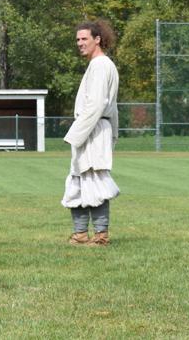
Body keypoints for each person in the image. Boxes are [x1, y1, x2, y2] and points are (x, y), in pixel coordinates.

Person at [61, 20, 120, 246]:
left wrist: (74, 134)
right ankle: (80, 233)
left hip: (93, 130)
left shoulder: (101, 65)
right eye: (77, 39)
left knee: (94, 180)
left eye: (84, 38)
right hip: (94, 129)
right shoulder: (99, 66)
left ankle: (101, 235)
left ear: (97, 39)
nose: (79, 43)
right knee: (78, 179)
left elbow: (97, 105)